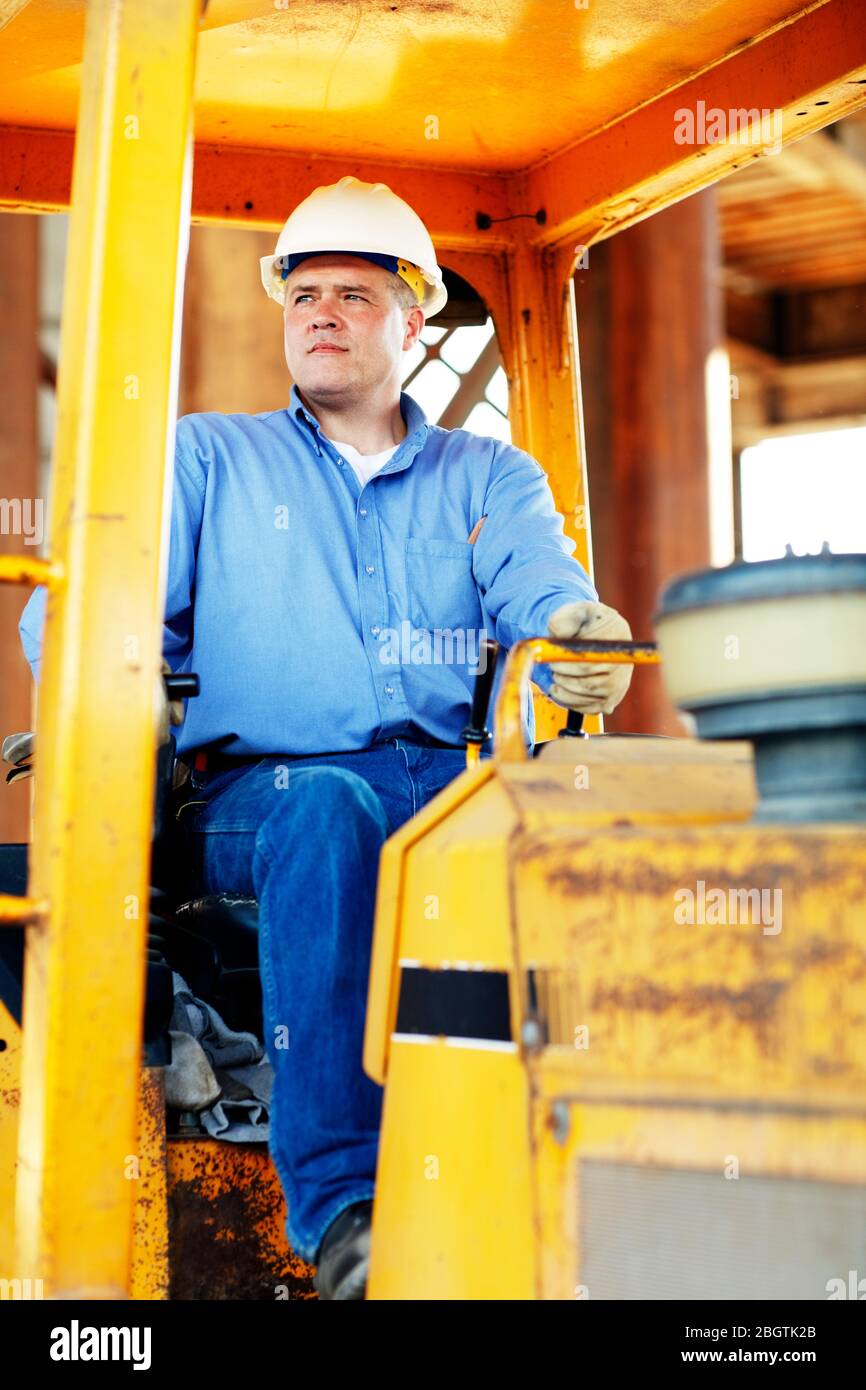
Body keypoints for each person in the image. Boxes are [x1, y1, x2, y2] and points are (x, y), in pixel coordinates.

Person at [18, 175, 633, 1299]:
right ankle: (348, 1210)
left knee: (612, 823)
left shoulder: (486, 476)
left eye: (352, 293)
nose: (320, 313)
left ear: (413, 317)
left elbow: (541, 586)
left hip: (444, 793)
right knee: (329, 810)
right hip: (260, 807)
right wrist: (106, 689)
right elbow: (79, 598)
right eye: (301, 294)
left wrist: (571, 631)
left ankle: (620, 1169)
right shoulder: (208, 460)